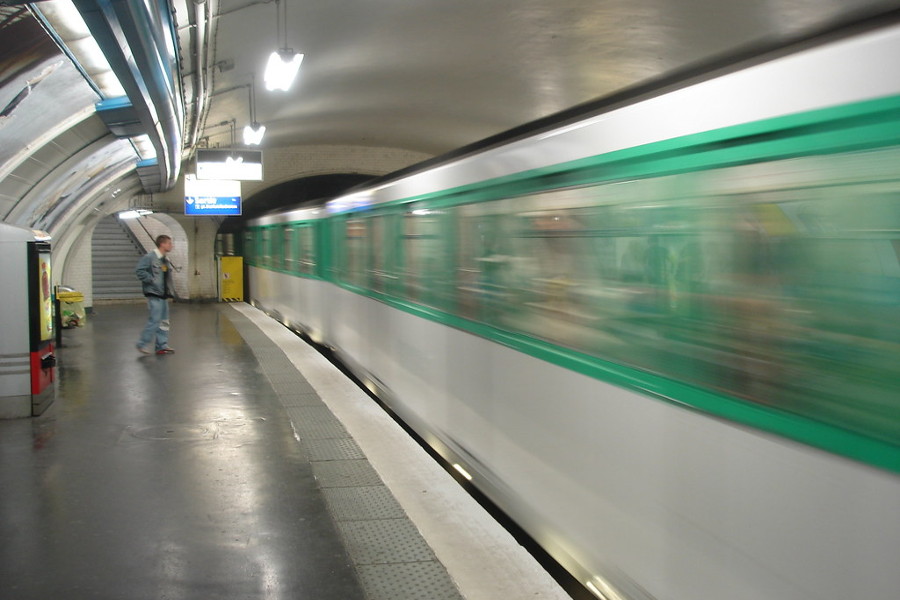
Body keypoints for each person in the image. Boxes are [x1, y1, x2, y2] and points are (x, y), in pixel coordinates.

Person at [135, 234, 176, 355]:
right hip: (154, 294)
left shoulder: (165, 259)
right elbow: (139, 271)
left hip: (163, 295)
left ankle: (161, 346)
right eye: (169, 243)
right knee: (155, 320)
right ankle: (141, 344)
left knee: (164, 322)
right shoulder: (150, 257)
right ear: (162, 244)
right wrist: (151, 280)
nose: (171, 245)